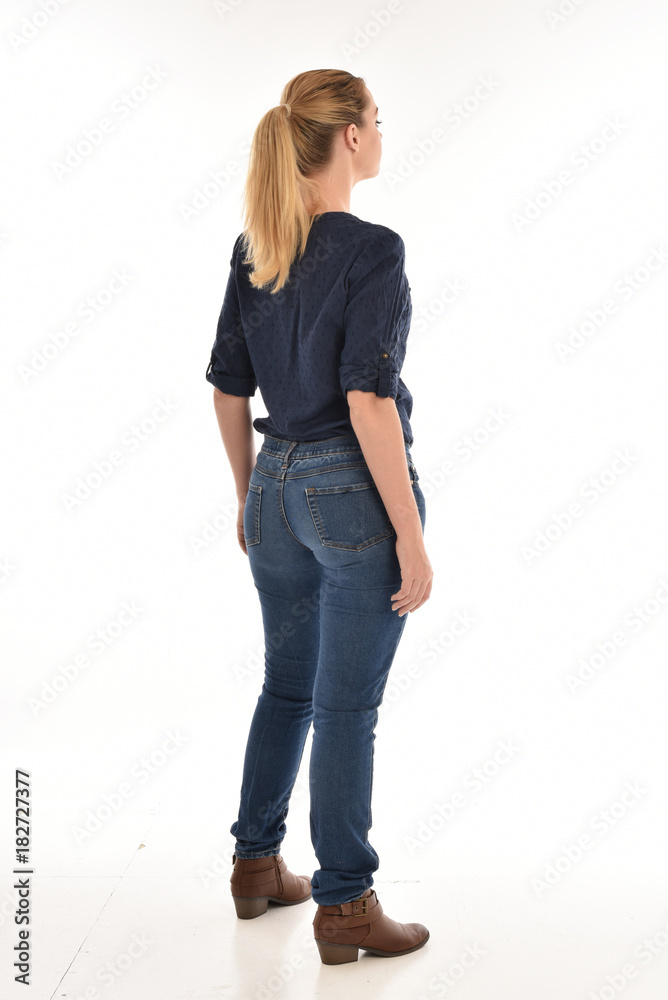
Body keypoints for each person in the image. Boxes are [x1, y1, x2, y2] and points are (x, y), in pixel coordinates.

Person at [205, 68, 434, 965]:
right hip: (349, 494)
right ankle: (345, 907)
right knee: (344, 707)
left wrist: (248, 496)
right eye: (377, 119)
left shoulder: (253, 246)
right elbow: (367, 400)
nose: (381, 133)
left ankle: (257, 864)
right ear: (347, 138)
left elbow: (228, 387)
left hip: (275, 489)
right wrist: (411, 535)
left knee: (288, 687)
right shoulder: (373, 249)